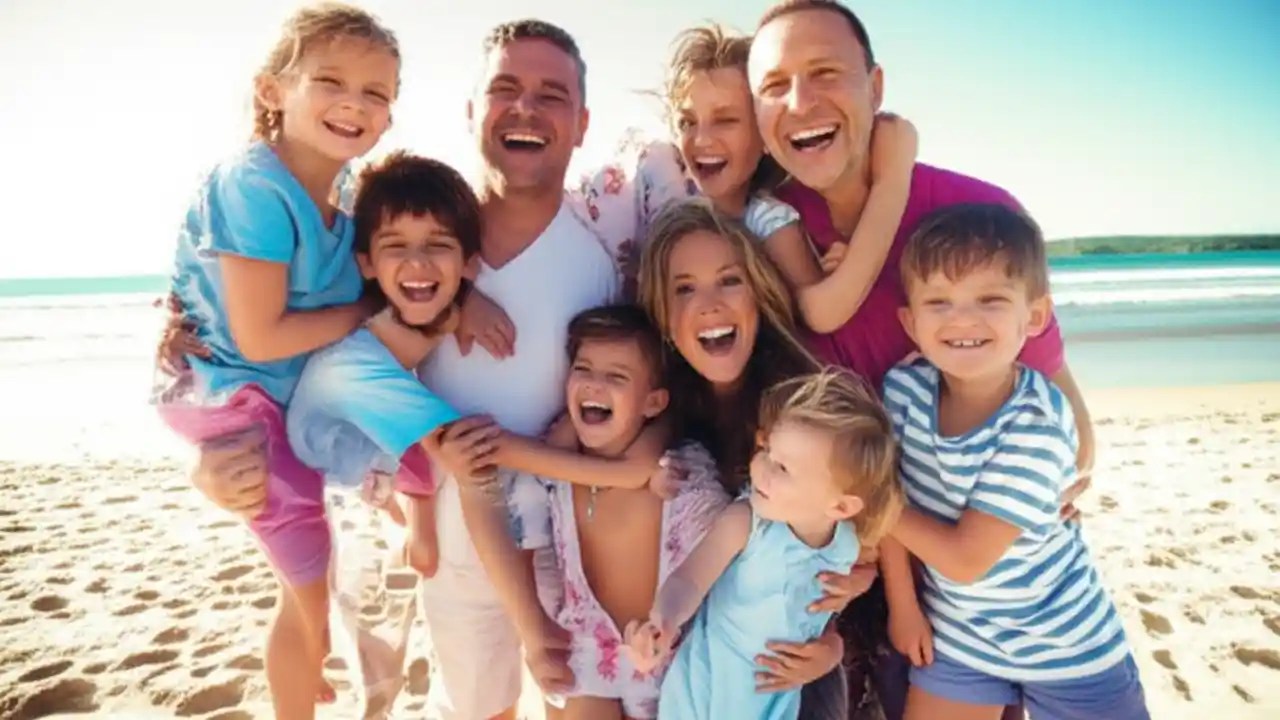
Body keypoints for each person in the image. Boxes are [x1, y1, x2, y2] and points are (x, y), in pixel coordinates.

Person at [747, 3, 1098, 715]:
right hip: (831, 570)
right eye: (774, 84)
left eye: (825, 74)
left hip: (970, 583)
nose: (800, 102)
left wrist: (1058, 478)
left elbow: (1067, 418)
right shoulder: (762, 230)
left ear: (876, 87)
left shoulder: (976, 215)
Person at [150, 5, 399, 717]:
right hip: (243, 406)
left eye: (377, 93)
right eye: (330, 80)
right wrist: (364, 313)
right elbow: (259, 337)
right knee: (308, 592)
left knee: (325, 573)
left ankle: (312, 656)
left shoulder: (346, 197)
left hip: (290, 399)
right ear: (271, 90)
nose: (355, 102)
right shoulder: (253, 184)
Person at [880, 204, 1149, 720]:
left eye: (990, 299)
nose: (962, 319)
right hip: (960, 636)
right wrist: (904, 606)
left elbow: (962, 558)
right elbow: (898, 496)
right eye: (939, 302)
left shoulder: (1038, 423)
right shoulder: (903, 392)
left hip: (1065, 644)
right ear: (910, 323)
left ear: (1035, 317)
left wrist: (867, 497)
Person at [637, 199, 872, 719]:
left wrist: (832, 643)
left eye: (729, 280)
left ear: (759, 295)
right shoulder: (660, 403)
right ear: (663, 315)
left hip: (795, 673)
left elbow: (833, 562)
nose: (709, 304)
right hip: (709, 675)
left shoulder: (804, 407)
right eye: (684, 288)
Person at [627, 369, 904, 720]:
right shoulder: (747, 521)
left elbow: (816, 616)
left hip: (776, 701)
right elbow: (691, 578)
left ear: (839, 507)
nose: (761, 468)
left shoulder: (844, 548)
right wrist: (664, 622)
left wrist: (831, 650)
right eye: (767, 452)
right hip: (709, 691)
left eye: (784, 469)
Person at [285, 151, 485, 580]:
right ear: (367, 263)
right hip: (333, 511)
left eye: (438, 244)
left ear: (470, 262)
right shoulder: (354, 369)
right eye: (397, 246)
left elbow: (435, 317)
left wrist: (471, 301)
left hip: (367, 474)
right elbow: (447, 447)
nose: (418, 263)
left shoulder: (405, 325)